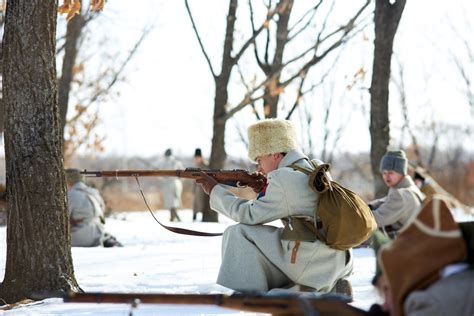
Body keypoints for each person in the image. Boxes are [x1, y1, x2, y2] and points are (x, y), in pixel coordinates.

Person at [195, 118, 353, 296]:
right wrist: (264, 190)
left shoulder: (283, 178)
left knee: (238, 232)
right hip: (337, 258)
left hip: (312, 262)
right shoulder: (313, 167)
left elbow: (247, 214)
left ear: (275, 154)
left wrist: (215, 191)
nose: (259, 167)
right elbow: (295, 202)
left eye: (259, 159)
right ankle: (326, 285)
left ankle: (247, 294)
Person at [369, 196, 474, 316]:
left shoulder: (432, 302)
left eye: (387, 290)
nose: (385, 306)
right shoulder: (459, 282)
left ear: (407, 275)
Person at [369, 150, 425, 239]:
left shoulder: (401, 195)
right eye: (384, 173)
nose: (387, 176)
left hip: (405, 249)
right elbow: (386, 201)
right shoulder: (411, 190)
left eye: (391, 173)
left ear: (402, 172)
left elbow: (374, 219)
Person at [66, 169, 122, 247]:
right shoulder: (94, 192)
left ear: (68, 182)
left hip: (81, 237)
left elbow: (62, 219)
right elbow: (103, 211)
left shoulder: (71, 194)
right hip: (99, 233)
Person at [158, 148, 184, 222]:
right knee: (176, 200)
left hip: (168, 183)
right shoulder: (176, 162)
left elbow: (160, 176)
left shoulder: (163, 163)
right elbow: (182, 173)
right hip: (177, 183)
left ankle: (174, 216)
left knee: (170, 201)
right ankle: (173, 216)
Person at [192, 148, 212, 221]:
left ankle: (204, 216)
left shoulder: (205, 165)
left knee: (203, 203)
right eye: (196, 158)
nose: (197, 159)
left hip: (204, 187)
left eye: (198, 158)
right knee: (195, 203)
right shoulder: (195, 166)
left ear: (201, 157)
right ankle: (194, 216)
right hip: (197, 187)